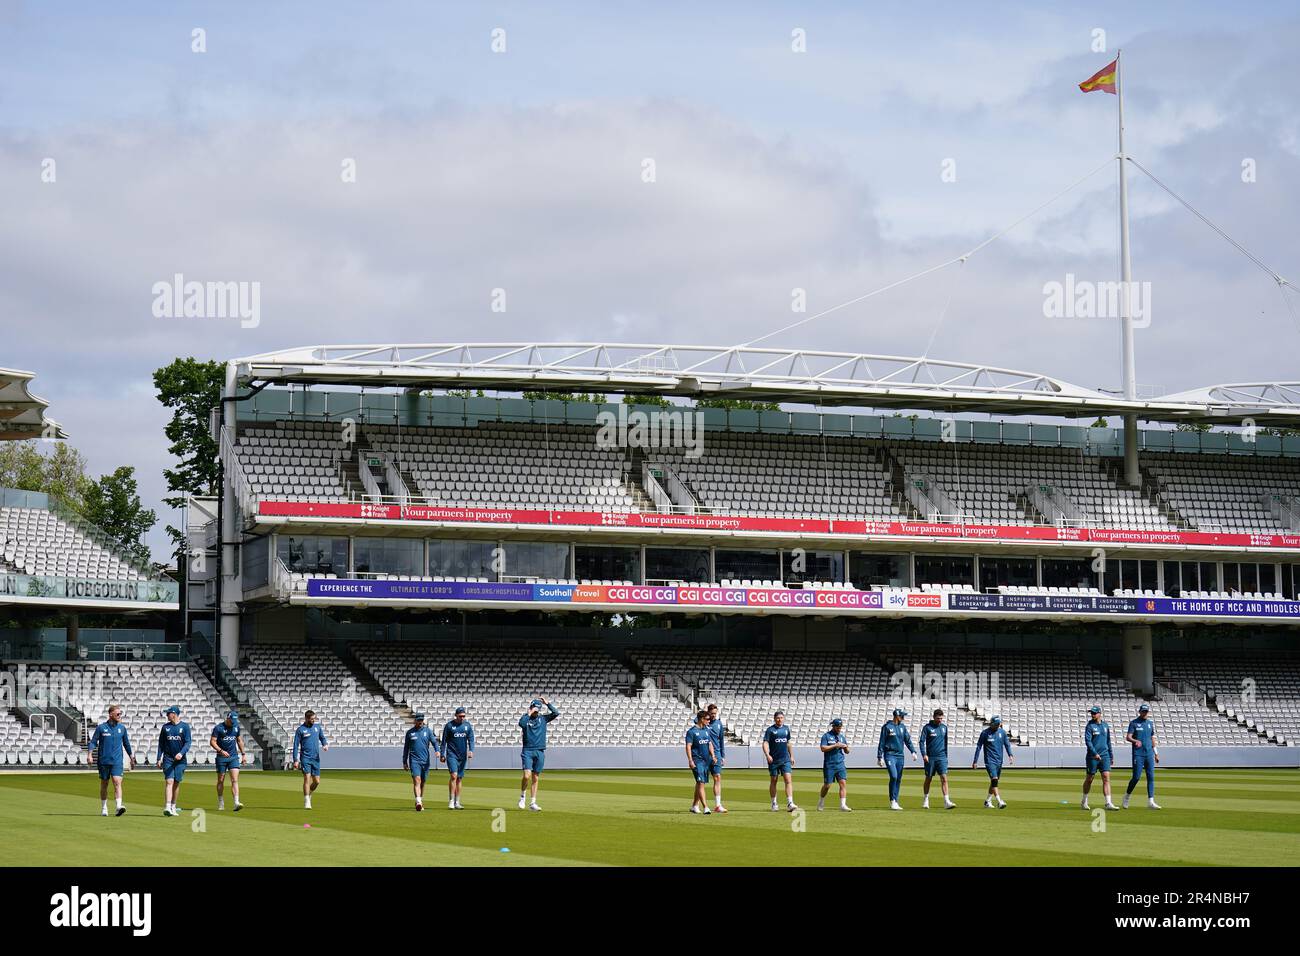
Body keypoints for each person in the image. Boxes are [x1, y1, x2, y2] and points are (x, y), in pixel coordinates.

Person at [89, 704, 134, 817]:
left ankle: (119, 806)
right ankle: (104, 807)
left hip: (117, 761)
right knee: (104, 784)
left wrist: (131, 757)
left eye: (120, 714)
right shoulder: (101, 728)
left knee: (117, 782)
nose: (120, 715)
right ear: (110, 714)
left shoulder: (122, 728)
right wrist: (89, 754)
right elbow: (93, 741)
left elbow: (126, 744)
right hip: (103, 760)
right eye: (117, 714)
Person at [518, 697, 559, 811]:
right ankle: (522, 796)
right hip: (528, 750)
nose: (537, 711)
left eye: (538, 709)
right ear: (531, 708)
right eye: (535, 708)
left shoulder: (543, 719)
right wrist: (529, 713)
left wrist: (547, 703)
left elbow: (556, 713)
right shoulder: (526, 719)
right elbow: (521, 724)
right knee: (527, 776)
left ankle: (533, 803)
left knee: (535, 777)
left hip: (540, 751)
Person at [876, 707, 917, 810]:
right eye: (902, 716)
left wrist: (913, 751)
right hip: (889, 755)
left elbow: (907, 740)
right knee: (893, 776)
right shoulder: (887, 727)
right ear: (897, 716)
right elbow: (882, 742)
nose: (903, 717)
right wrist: (879, 757)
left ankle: (895, 800)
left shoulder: (902, 727)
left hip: (900, 756)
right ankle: (892, 800)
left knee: (898, 778)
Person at [1123, 703, 1161, 809]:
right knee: (1136, 777)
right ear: (1139, 712)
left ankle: (1151, 801)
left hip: (1149, 754)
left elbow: (1152, 738)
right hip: (1138, 754)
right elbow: (1128, 737)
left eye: (1146, 712)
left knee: (1151, 777)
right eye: (1143, 711)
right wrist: (1135, 741)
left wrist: (1156, 753)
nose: (1144, 713)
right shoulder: (1134, 723)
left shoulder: (1150, 723)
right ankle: (1127, 797)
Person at [971, 715, 1014, 808]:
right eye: (996, 724)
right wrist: (975, 761)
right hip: (989, 761)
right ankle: (999, 801)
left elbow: (1007, 745)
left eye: (999, 724)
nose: (998, 726)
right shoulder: (985, 733)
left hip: (999, 761)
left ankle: (987, 801)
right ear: (992, 724)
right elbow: (979, 747)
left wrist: (1010, 755)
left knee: (994, 781)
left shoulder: (1002, 732)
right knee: (994, 779)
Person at [156, 705, 191, 817]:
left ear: (174, 714)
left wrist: (181, 753)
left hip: (181, 760)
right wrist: (158, 758)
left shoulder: (185, 727)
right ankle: (167, 807)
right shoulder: (165, 727)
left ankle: (173, 806)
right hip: (168, 759)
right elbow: (161, 744)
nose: (167, 715)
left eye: (168, 713)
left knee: (176, 783)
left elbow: (188, 743)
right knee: (169, 781)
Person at [1081, 705, 1118, 811]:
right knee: (1090, 779)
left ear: (1099, 714)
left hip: (1105, 755)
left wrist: (1111, 755)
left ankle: (1108, 803)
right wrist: (1095, 753)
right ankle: (1084, 801)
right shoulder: (1089, 726)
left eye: (1094, 713)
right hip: (1092, 757)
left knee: (1106, 777)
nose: (1092, 715)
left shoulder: (1105, 726)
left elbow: (1108, 741)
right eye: (1091, 713)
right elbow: (1088, 741)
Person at [292, 710, 329, 809]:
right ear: (307, 718)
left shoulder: (317, 727)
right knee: (306, 778)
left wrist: (325, 745)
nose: (314, 720)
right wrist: (295, 760)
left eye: (314, 718)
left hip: (316, 758)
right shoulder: (300, 730)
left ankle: (309, 793)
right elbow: (295, 745)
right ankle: (307, 801)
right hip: (305, 758)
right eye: (312, 719)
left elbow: (322, 738)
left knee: (317, 781)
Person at [762, 710, 798, 812]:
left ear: (783, 718)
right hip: (774, 760)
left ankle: (790, 803)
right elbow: (765, 743)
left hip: (785, 759)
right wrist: (767, 754)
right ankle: (774, 803)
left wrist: (792, 756)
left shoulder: (786, 729)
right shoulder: (770, 730)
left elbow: (788, 743)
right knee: (774, 780)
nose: (779, 719)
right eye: (778, 718)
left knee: (788, 779)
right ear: (774, 719)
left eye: (781, 718)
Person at [919, 708, 955, 809]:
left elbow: (946, 743)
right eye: (938, 718)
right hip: (930, 758)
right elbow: (921, 742)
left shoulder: (944, 728)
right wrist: (924, 754)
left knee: (944, 778)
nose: (940, 720)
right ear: (934, 717)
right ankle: (926, 799)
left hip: (942, 757)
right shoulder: (927, 728)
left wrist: (946, 756)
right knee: (928, 778)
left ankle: (946, 801)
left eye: (941, 718)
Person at [402, 713, 439, 811]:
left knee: (423, 782)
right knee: (417, 780)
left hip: (425, 761)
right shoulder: (410, 733)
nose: (420, 722)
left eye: (421, 720)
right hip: (414, 760)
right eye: (418, 720)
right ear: (415, 721)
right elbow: (406, 748)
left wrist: (437, 751)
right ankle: (418, 801)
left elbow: (434, 742)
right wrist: (404, 761)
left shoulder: (428, 731)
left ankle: (420, 800)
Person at [440, 707, 475, 810]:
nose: (462, 718)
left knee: (459, 778)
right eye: (460, 716)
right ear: (456, 715)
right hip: (452, 754)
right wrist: (442, 754)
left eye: (464, 716)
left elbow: (471, 739)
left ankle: (457, 802)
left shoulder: (467, 726)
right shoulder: (449, 726)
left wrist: (471, 750)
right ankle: (451, 801)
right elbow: (444, 742)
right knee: (454, 776)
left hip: (463, 755)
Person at [209, 711, 245, 811]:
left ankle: (236, 802)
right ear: (227, 718)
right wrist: (221, 750)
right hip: (221, 758)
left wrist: (243, 754)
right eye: (231, 720)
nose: (233, 722)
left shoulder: (236, 727)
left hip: (233, 757)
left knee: (235, 780)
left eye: (234, 720)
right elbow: (212, 742)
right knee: (221, 780)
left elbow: (239, 740)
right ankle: (221, 801)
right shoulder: (218, 728)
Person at [684, 710, 717, 814]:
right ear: (701, 719)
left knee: (700, 783)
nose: (709, 721)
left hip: (706, 761)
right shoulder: (691, 732)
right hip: (697, 760)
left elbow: (709, 743)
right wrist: (690, 760)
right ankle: (706, 807)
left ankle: (694, 805)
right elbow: (688, 746)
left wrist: (713, 755)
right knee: (701, 783)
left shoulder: (706, 731)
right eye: (707, 719)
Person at [817, 718, 851, 812]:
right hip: (829, 764)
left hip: (840, 763)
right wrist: (835, 745)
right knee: (827, 785)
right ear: (833, 726)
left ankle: (843, 805)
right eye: (837, 727)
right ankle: (821, 801)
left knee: (843, 783)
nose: (839, 729)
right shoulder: (826, 736)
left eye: (840, 727)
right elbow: (823, 748)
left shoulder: (842, 737)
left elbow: (847, 751)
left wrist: (846, 748)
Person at [705, 703, 728, 813]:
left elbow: (721, 741)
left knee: (717, 778)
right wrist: (705, 714)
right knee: (701, 781)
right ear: (708, 712)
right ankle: (696, 804)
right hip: (704, 755)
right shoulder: (703, 722)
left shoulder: (719, 724)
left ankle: (718, 805)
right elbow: (695, 720)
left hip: (717, 754)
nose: (713, 715)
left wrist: (723, 756)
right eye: (711, 713)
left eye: (715, 713)